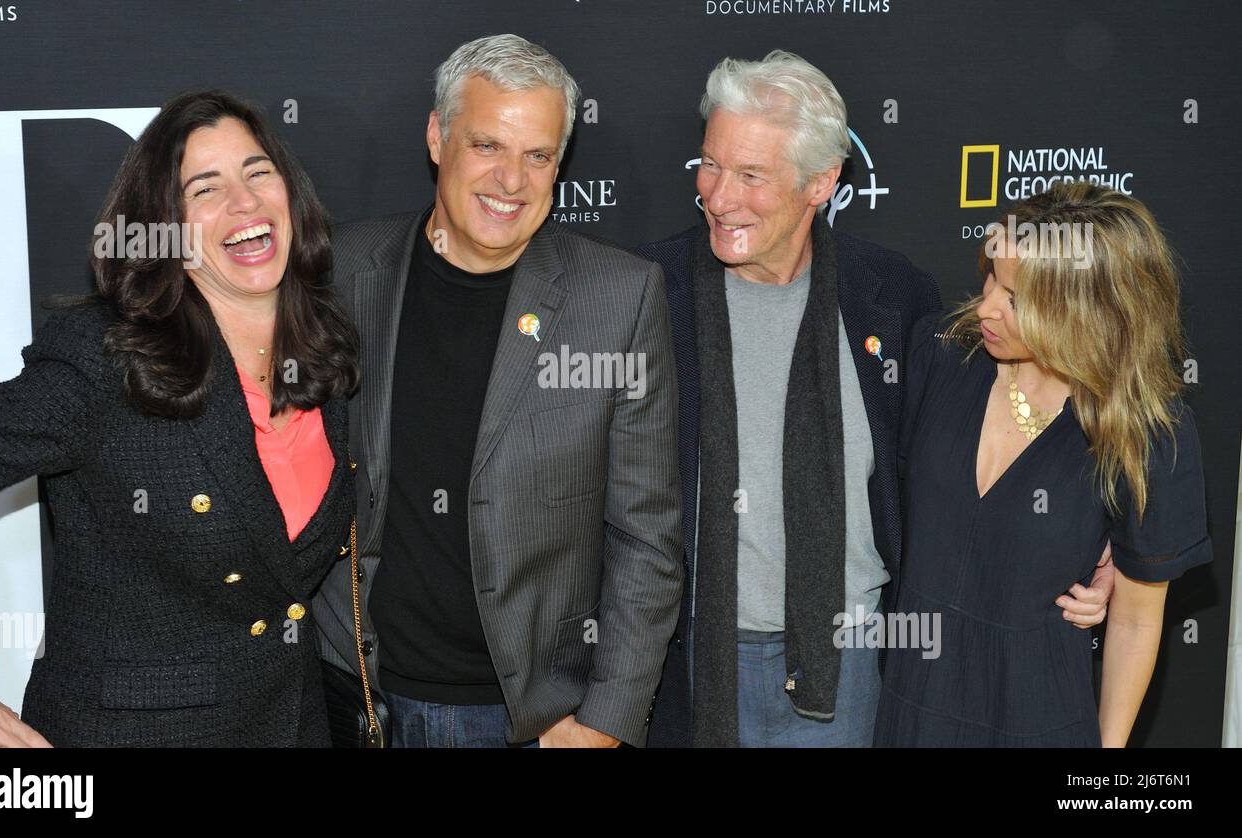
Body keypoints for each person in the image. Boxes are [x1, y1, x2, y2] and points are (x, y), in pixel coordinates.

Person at [636, 51, 1113, 748]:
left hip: (852, 664)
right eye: (710, 165)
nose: (719, 195)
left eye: (751, 175)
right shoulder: (649, 290)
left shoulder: (892, 299)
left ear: (821, 182)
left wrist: (1088, 557)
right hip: (687, 661)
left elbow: (978, 456)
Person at [0, 90, 359, 747]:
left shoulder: (324, 345)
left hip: (288, 724)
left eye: (258, 173)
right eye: (206, 189)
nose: (244, 203)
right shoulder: (107, 361)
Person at [312, 34, 683, 748]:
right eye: (487, 145)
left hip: (532, 721)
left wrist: (606, 721)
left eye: (537, 155)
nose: (511, 180)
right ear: (436, 136)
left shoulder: (617, 298)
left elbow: (648, 535)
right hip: (357, 700)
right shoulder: (343, 273)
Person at [873, 182, 1212, 746]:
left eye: (1016, 299)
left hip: (1040, 722)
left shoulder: (1147, 432)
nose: (985, 307)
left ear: (1089, 312)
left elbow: (1134, 621)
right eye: (990, 278)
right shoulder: (941, 356)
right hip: (913, 711)